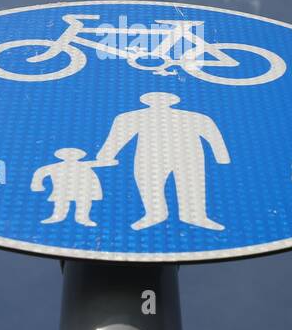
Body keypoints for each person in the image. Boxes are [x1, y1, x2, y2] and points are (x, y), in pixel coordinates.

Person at [96, 92, 229, 231]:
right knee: (150, 184)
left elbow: (213, 136)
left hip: (186, 155)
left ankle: (195, 216)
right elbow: (118, 136)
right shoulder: (132, 117)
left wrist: (222, 157)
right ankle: (155, 214)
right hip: (153, 155)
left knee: (191, 184)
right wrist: (106, 154)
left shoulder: (195, 117)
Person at [30, 148, 105, 226]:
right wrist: (37, 185)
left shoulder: (85, 165)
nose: (71, 157)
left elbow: (100, 163)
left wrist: (108, 160)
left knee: (83, 203)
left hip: (83, 188)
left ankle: (83, 219)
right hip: (63, 188)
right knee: (61, 202)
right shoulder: (55, 166)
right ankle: (57, 217)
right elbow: (40, 173)